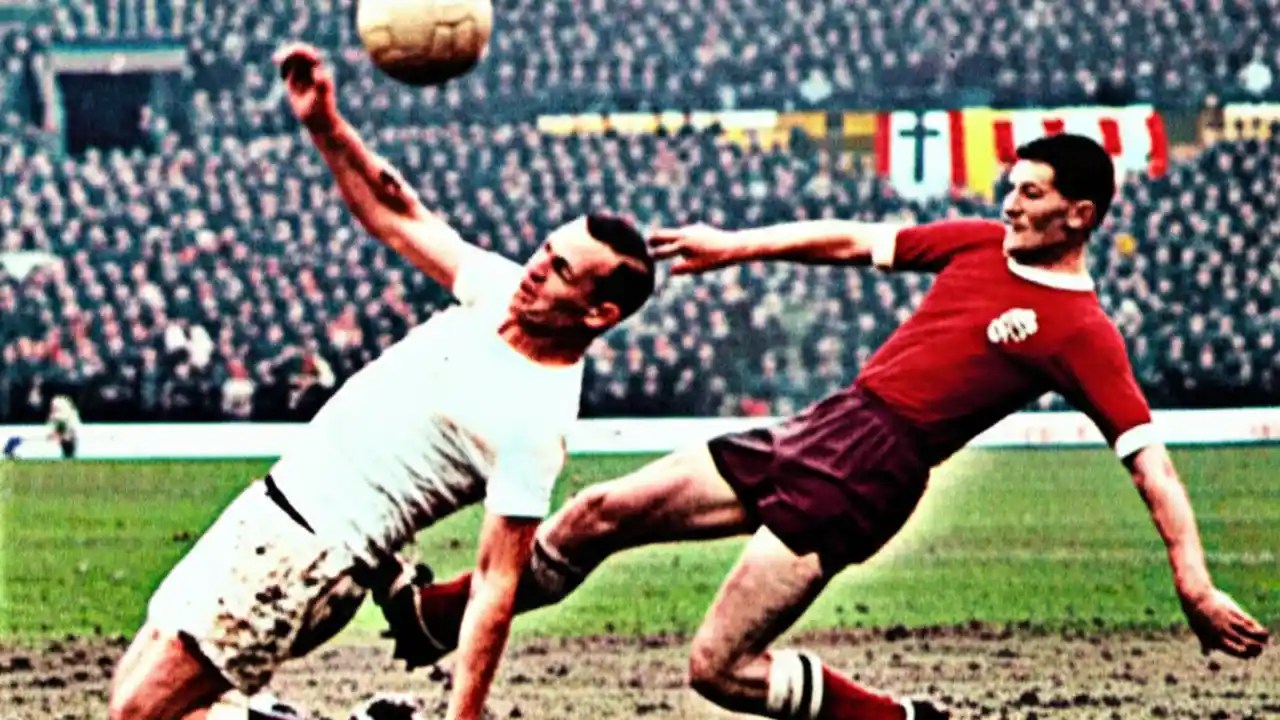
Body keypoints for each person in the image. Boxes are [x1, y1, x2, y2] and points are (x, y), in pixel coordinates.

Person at [377, 134, 1270, 720]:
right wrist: (736, 244)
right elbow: (851, 241)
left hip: (869, 470)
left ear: (1079, 215)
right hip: (829, 426)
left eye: (1030, 194)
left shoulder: (1083, 332)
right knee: (595, 514)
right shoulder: (978, 244)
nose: (1010, 203)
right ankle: (429, 619)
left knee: (719, 671)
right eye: (1010, 187)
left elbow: (1149, 462)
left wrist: (1192, 580)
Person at [106, 43, 656, 720]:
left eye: (562, 271)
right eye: (547, 250)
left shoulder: (535, 421)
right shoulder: (498, 288)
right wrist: (325, 125)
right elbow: (397, 214)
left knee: (138, 714)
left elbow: (495, 583)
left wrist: (464, 714)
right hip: (266, 509)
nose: (537, 269)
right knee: (135, 692)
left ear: (600, 313)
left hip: (308, 558)